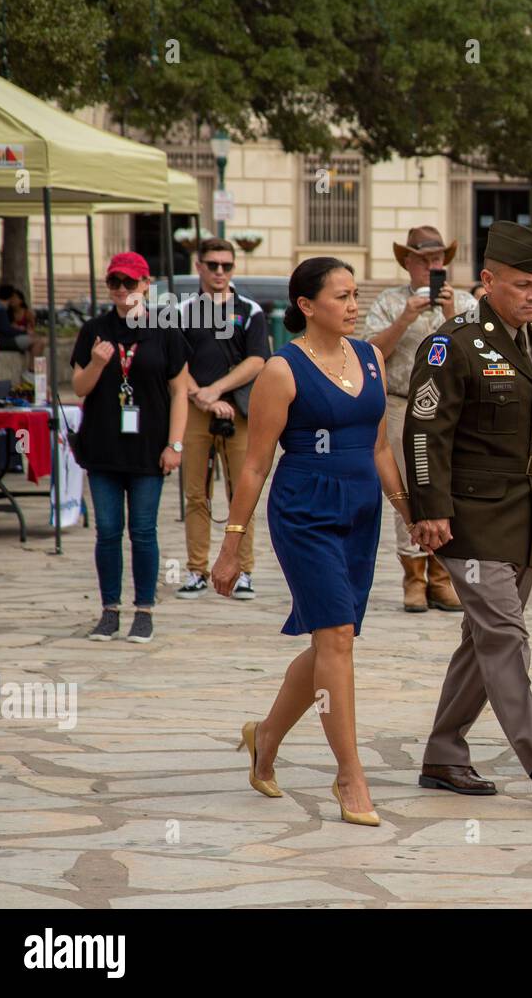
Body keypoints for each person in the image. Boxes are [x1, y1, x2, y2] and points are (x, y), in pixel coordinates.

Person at [403, 221, 532, 808]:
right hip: (469, 518)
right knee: (506, 634)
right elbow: (422, 429)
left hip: (524, 517)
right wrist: (429, 508)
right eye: (521, 284)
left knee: (482, 640)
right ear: (487, 281)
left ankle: (443, 754)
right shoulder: (452, 342)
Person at [211, 257, 404, 827]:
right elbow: (254, 466)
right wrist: (231, 545)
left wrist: (407, 513)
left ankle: (265, 738)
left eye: (355, 295)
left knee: (329, 643)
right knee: (337, 637)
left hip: (362, 511)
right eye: (341, 296)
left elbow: (380, 450)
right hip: (305, 511)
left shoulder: (370, 357)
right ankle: (350, 774)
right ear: (306, 306)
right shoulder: (281, 369)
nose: (353, 305)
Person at [70, 253, 189, 644]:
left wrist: (175, 443)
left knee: (143, 530)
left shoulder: (165, 330)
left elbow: (179, 391)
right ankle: (109, 610)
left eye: (130, 282)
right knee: (107, 531)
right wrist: (97, 365)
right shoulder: (95, 330)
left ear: (146, 284)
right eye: (114, 282)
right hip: (103, 445)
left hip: (149, 448)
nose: (122, 289)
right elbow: (79, 388)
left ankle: (144, 610)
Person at [361, 225, 477, 613]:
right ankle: (413, 577)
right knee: (407, 490)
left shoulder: (462, 302)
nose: (433, 265)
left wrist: (450, 315)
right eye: (425, 259)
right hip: (401, 404)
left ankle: (442, 577)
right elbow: (370, 353)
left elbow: (477, 351)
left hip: (452, 408)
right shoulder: (391, 303)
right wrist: (404, 321)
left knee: (450, 486)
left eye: (438, 258)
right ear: (407, 262)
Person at [175, 237, 269, 600]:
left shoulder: (250, 309)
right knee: (196, 494)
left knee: (241, 492)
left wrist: (217, 390)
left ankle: (243, 569)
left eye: (226, 265)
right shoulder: (182, 310)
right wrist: (204, 398)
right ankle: (196, 569)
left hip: (241, 412)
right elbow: (175, 364)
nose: (218, 272)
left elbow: (258, 359)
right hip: (197, 411)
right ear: (198, 266)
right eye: (211, 264)